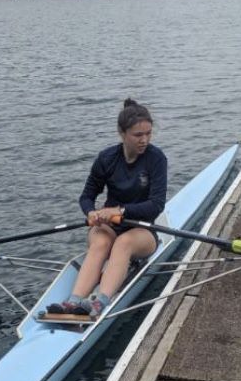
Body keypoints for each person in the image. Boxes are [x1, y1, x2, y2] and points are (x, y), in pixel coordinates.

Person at [41, 98, 167, 322]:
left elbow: (156, 206)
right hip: (110, 226)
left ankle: (101, 302)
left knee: (123, 243)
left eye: (148, 133)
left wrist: (121, 210)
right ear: (122, 133)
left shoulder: (156, 159)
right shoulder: (107, 159)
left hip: (143, 230)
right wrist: (90, 212)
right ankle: (74, 301)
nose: (144, 140)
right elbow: (86, 197)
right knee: (100, 241)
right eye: (138, 135)